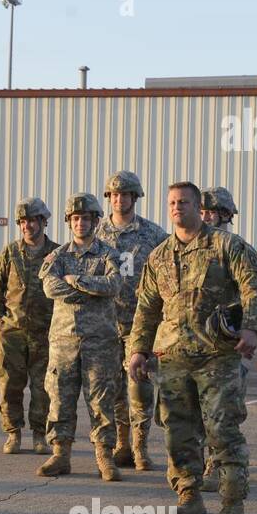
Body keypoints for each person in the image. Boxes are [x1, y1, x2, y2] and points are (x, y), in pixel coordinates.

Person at [128, 182, 257, 514]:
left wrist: (252, 328)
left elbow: (255, 286)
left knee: (222, 428)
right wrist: (137, 350)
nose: (178, 208)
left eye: (185, 202)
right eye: (173, 203)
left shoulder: (227, 246)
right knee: (177, 430)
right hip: (172, 356)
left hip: (216, 357)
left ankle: (232, 501)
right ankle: (189, 494)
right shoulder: (159, 255)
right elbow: (147, 307)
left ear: (198, 206)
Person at [36, 193, 123, 480]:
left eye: (86, 218)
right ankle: (61, 454)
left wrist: (77, 280)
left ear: (95, 221)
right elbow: (50, 288)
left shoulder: (108, 254)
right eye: (75, 218)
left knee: (101, 400)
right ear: (69, 222)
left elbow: (113, 285)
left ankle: (104, 457)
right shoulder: (58, 256)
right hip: (64, 341)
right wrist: (89, 291)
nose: (81, 223)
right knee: (60, 397)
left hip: (100, 341)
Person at [95, 171, 168, 472]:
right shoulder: (95, 233)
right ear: (108, 198)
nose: (119, 199)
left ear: (135, 198)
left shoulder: (153, 234)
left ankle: (140, 446)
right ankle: (120, 444)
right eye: (114, 195)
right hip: (104, 323)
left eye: (125, 194)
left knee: (140, 387)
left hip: (141, 324)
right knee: (110, 388)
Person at [0, 197, 59, 456]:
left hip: (46, 332)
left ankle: (40, 435)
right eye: (23, 221)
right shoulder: (11, 252)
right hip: (12, 331)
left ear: (43, 221)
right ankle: (13, 433)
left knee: (43, 387)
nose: (27, 226)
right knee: (9, 384)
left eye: (32, 220)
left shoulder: (57, 253)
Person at [200, 186, 246, 492]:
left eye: (212, 212)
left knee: (223, 413)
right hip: (191, 345)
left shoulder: (235, 248)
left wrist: (248, 331)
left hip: (225, 344)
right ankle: (204, 465)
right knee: (195, 414)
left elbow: (253, 295)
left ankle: (221, 469)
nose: (205, 217)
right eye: (202, 212)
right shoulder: (186, 246)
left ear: (226, 215)